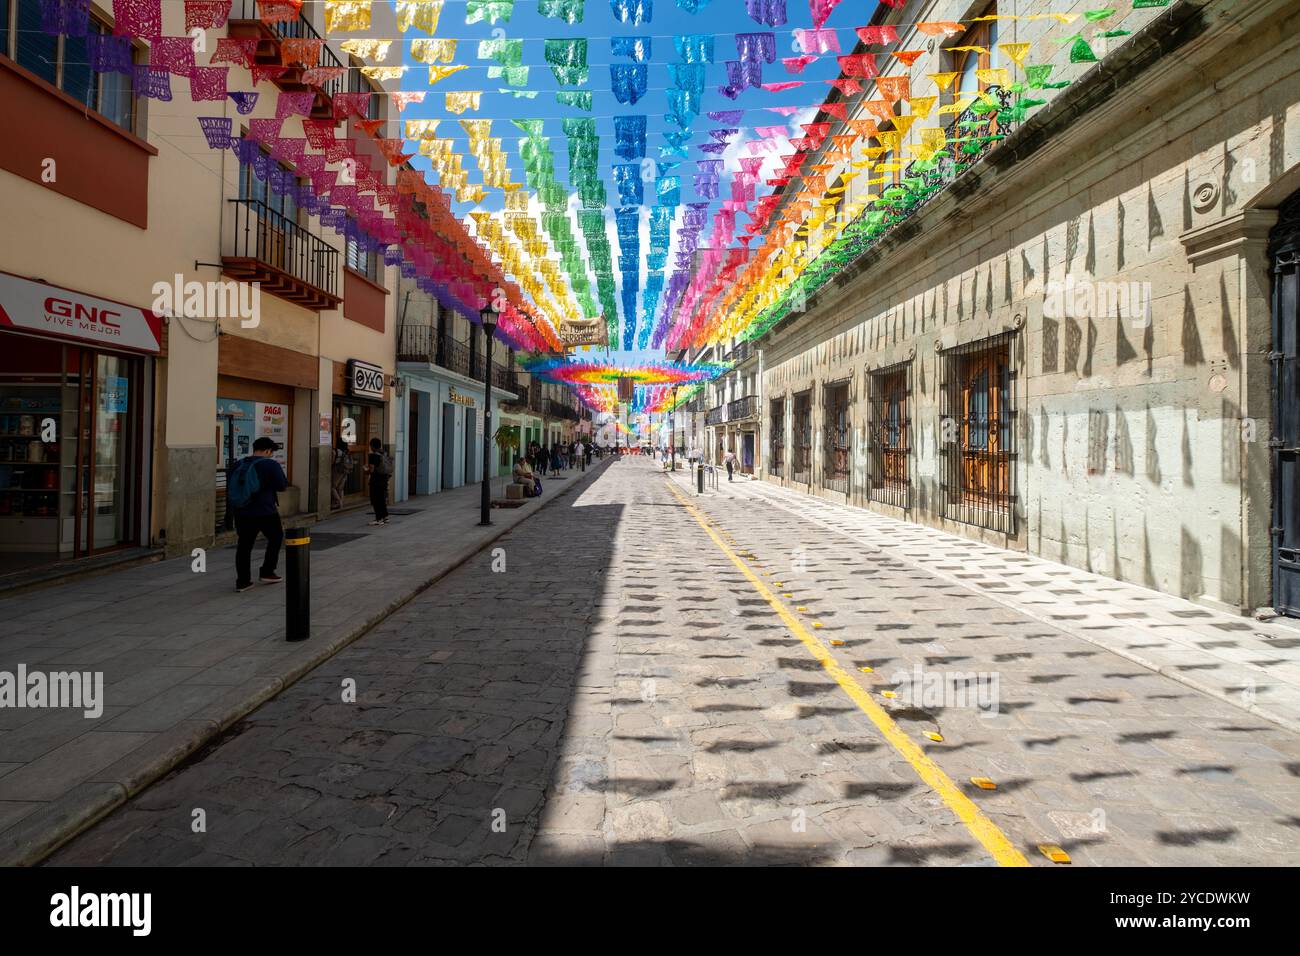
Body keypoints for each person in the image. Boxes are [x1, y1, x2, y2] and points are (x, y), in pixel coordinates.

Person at [229, 436, 289, 593]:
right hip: (264, 510)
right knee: (275, 537)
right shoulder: (270, 464)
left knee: (244, 545)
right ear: (268, 451)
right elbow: (282, 485)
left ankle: (242, 582)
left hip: (241, 511)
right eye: (271, 452)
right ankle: (267, 571)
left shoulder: (238, 464)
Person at [364, 437, 392, 525]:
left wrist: (366, 470)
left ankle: (378, 519)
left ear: (372, 446)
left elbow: (371, 470)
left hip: (376, 481)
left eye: (370, 446)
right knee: (382, 499)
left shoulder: (373, 456)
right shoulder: (384, 454)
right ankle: (385, 517)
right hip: (384, 479)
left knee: (375, 499)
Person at [330, 437, 352, 510]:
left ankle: (338, 502)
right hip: (345, 471)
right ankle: (341, 503)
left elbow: (332, 462)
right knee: (340, 488)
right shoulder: (346, 451)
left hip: (338, 471)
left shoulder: (335, 451)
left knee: (332, 487)